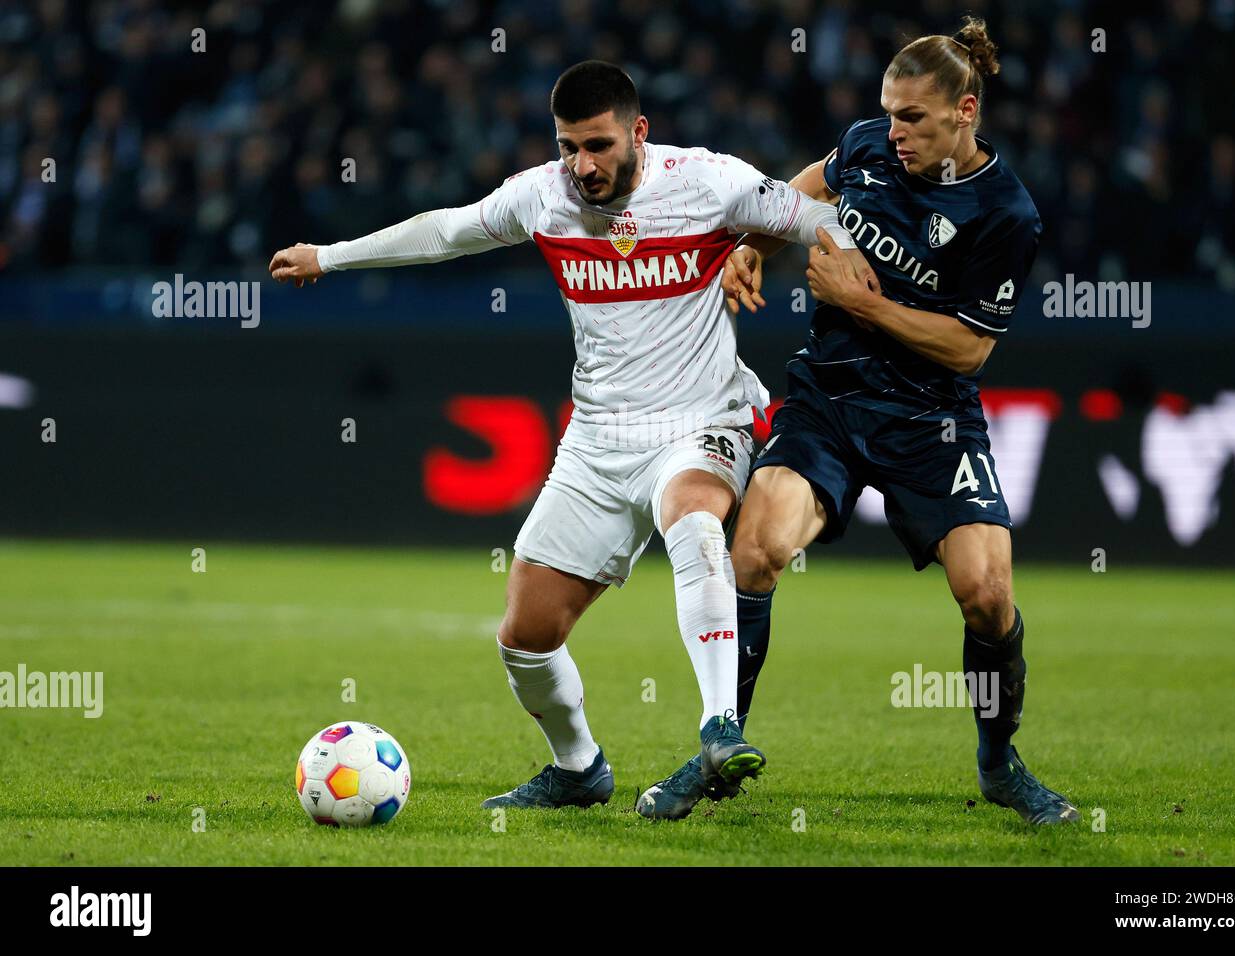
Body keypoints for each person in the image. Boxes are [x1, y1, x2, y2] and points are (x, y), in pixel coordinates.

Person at [269, 60, 866, 812]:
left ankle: (719, 724)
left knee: (695, 521)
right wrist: (331, 256)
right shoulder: (541, 197)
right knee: (525, 636)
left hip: (703, 419)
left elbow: (820, 219)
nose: (582, 166)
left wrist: (847, 270)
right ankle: (580, 769)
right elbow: (446, 233)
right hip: (597, 440)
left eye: (598, 145)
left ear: (638, 132)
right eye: (567, 148)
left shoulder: (710, 182)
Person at [641, 19, 1080, 826]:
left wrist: (864, 303)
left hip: (931, 418)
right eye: (888, 112)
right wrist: (752, 241)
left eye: (913, 117)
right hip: (829, 399)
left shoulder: (1006, 214)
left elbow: (968, 349)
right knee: (755, 552)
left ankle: (998, 761)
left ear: (966, 111)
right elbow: (808, 182)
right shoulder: (870, 146)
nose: (896, 130)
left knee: (986, 595)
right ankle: (717, 743)